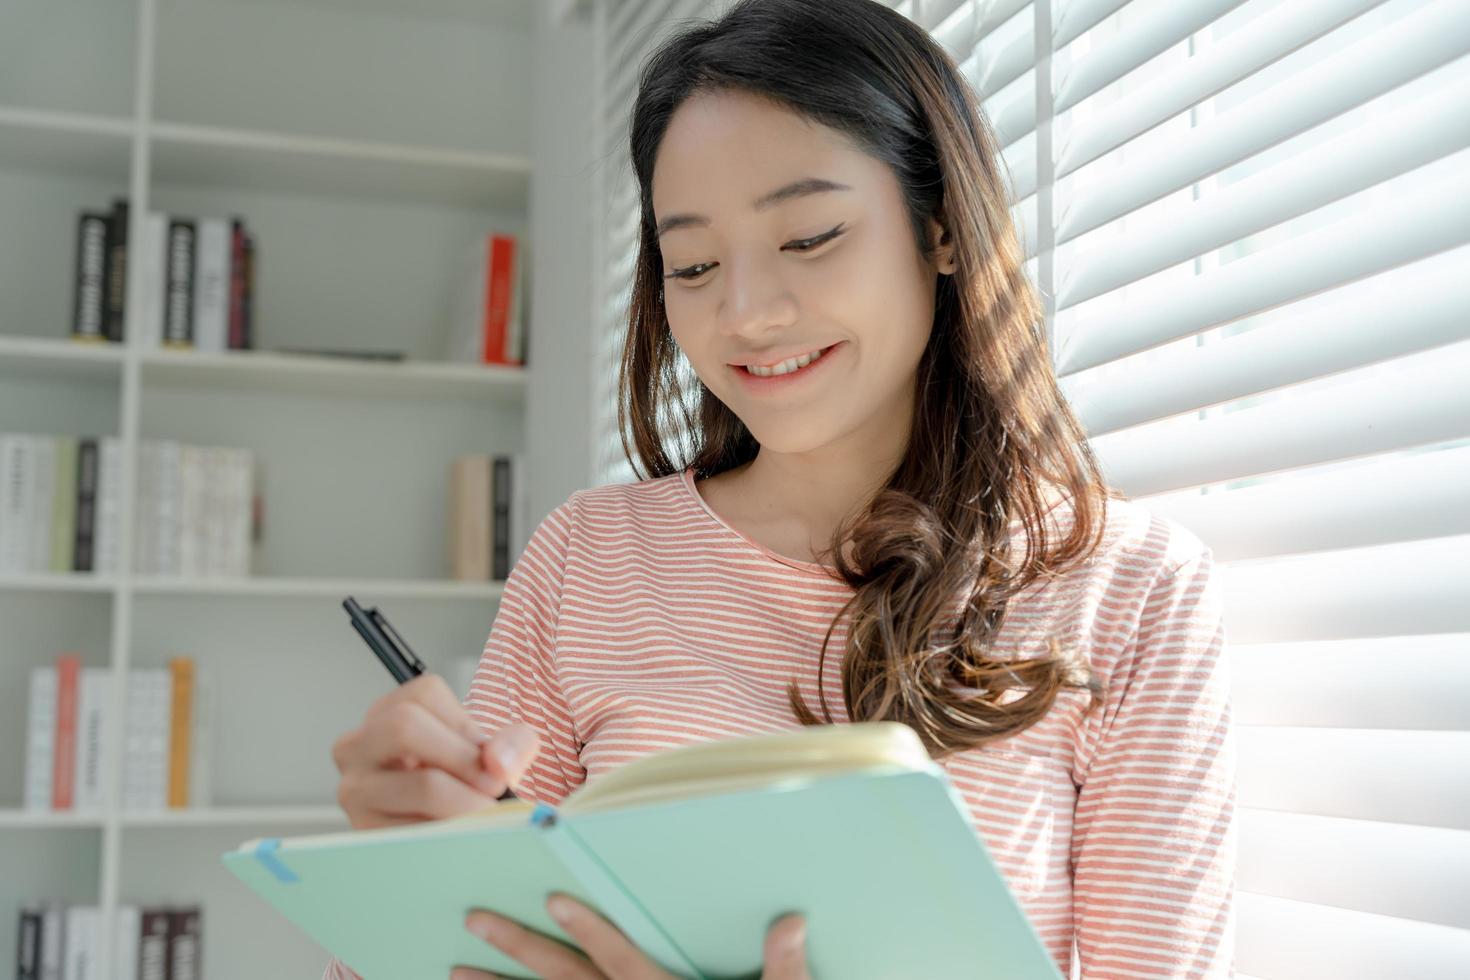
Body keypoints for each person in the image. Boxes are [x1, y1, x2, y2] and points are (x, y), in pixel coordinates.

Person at [326, 0, 1236, 977]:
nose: (747, 313)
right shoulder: (587, 557)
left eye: (808, 237)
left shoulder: (1131, 585)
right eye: (695, 264)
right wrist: (407, 857)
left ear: (940, 227)